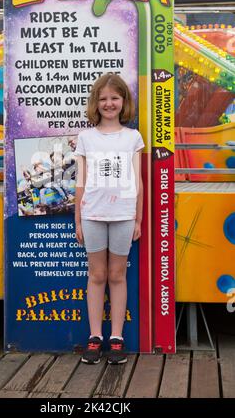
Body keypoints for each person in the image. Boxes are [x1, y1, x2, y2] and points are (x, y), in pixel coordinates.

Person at [74, 73, 144, 365]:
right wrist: (78, 219)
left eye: (114, 98)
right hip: (92, 215)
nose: (109, 103)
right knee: (97, 275)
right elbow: (80, 181)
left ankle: (116, 337)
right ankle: (94, 337)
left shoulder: (132, 138)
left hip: (123, 216)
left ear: (123, 101)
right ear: (96, 103)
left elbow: (138, 181)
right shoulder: (86, 137)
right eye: (103, 99)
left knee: (117, 275)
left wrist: (138, 219)